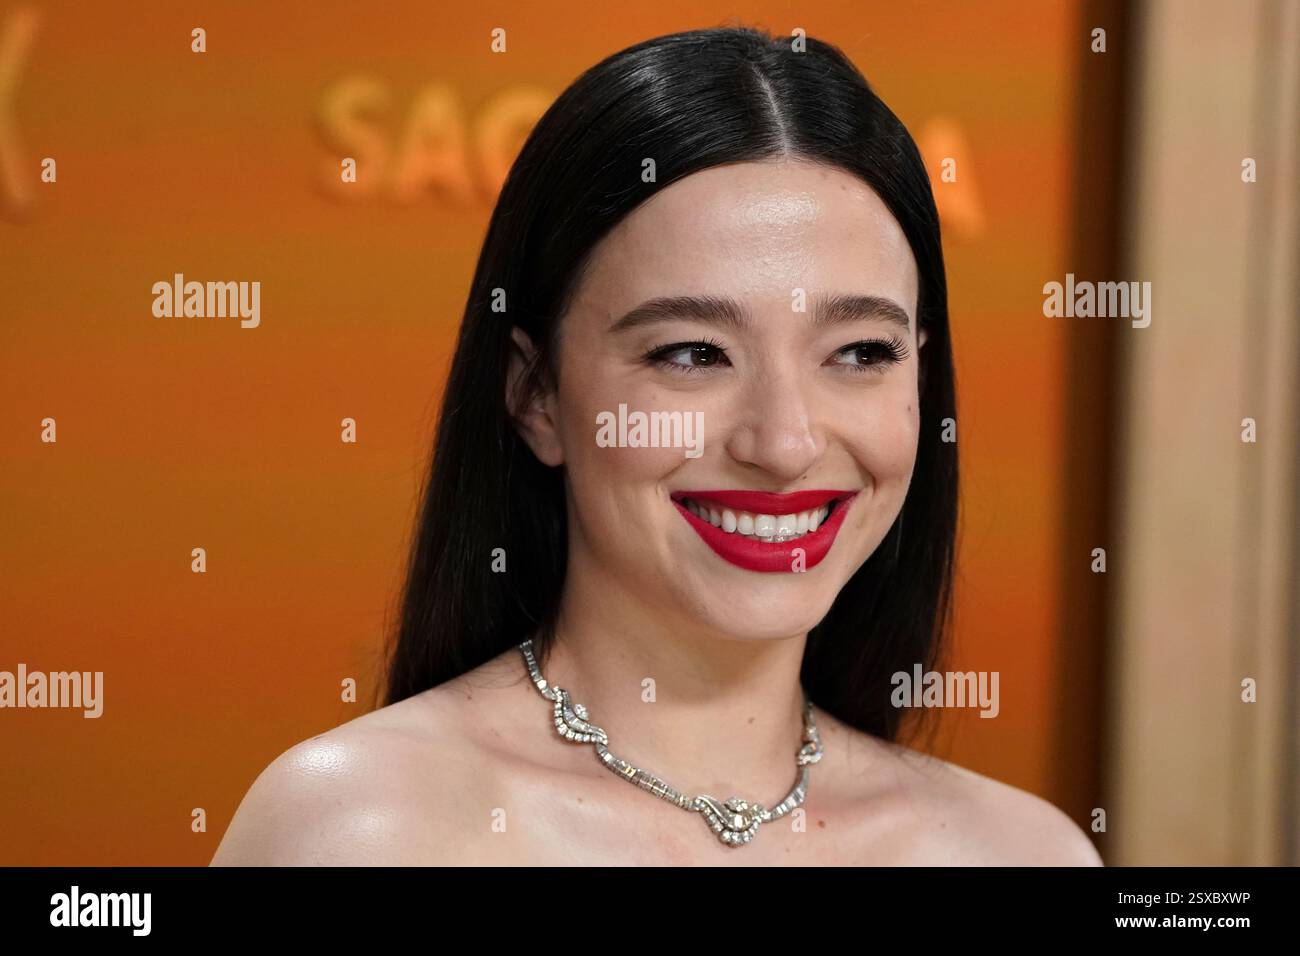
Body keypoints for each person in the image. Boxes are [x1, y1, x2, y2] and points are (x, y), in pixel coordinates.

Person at [211, 24, 1102, 866]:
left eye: (861, 353)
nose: (785, 443)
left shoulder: (1022, 852)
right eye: (691, 354)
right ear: (535, 395)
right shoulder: (364, 829)